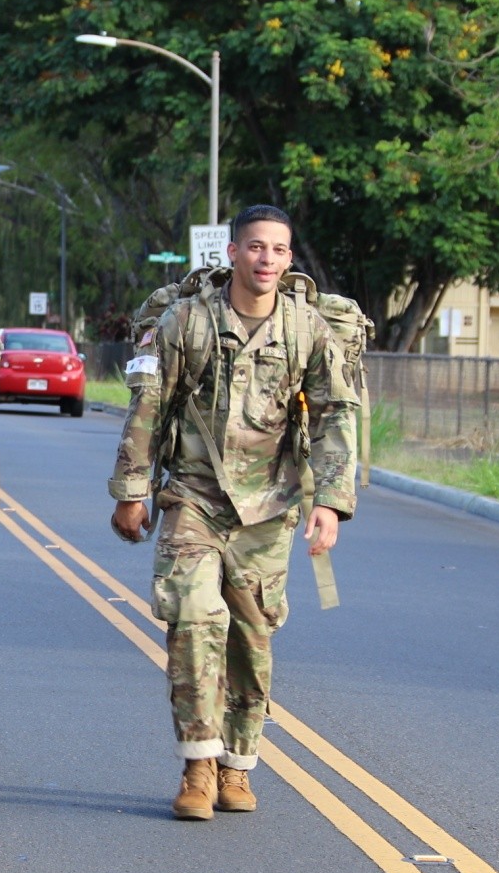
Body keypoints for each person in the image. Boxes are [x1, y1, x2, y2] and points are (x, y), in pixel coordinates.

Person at [108, 204, 357, 821]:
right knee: (193, 624)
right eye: (254, 247)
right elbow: (149, 405)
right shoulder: (188, 322)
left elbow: (333, 416)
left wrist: (330, 501)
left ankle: (237, 765)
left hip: (269, 509)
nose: (265, 259)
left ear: (288, 259)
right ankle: (197, 763)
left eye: (277, 249)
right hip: (193, 498)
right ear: (233, 254)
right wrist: (131, 490)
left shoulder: (305, 331)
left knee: (252, 640)